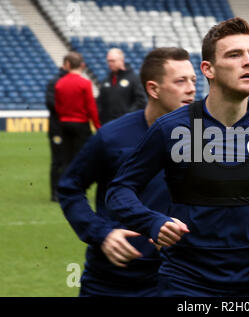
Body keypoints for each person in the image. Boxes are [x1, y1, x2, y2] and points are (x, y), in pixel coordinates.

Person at [105, 17, 249, 297]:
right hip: (185, 284)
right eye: (235, 55)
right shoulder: (171, 128)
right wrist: (152, 222)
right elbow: (119, 190)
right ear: (208, 69)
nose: (248, 62)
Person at [57, 47, 197, 296]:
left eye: (193, 80)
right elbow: (70, 188)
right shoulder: (111, 137)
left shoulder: (203, 140)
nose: (191, 88)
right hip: (110, 281)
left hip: (176, 280)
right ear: (153, 89)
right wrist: (102, 233)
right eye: (180, 81)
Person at [54, 52, 102, 171]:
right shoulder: (85, 83)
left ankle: (65, 185)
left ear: (68, 65)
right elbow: (91, 108)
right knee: (82, 159)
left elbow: (58, 107)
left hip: (64, 124)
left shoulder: (60, 83)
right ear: (82, 65)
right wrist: (97, 126)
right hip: (81, 125)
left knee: (67, 159)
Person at [97, 48, 147, 124]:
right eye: (108, 61)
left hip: (126, 124)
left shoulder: (134, 79)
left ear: (121, 61)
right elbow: (100, 102)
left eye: (113, 61)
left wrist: (127, 116)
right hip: (107, 124)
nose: (110, 64)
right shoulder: (106, 81)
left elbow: (141, 101)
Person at [45, 61, 68, 202]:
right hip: (57, 128)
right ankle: (55, 192)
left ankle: (68, 190)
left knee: (70, 160)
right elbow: (50, 102)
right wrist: (69, 108)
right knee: (58, 160)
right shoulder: (54, 82)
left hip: (70, 127)